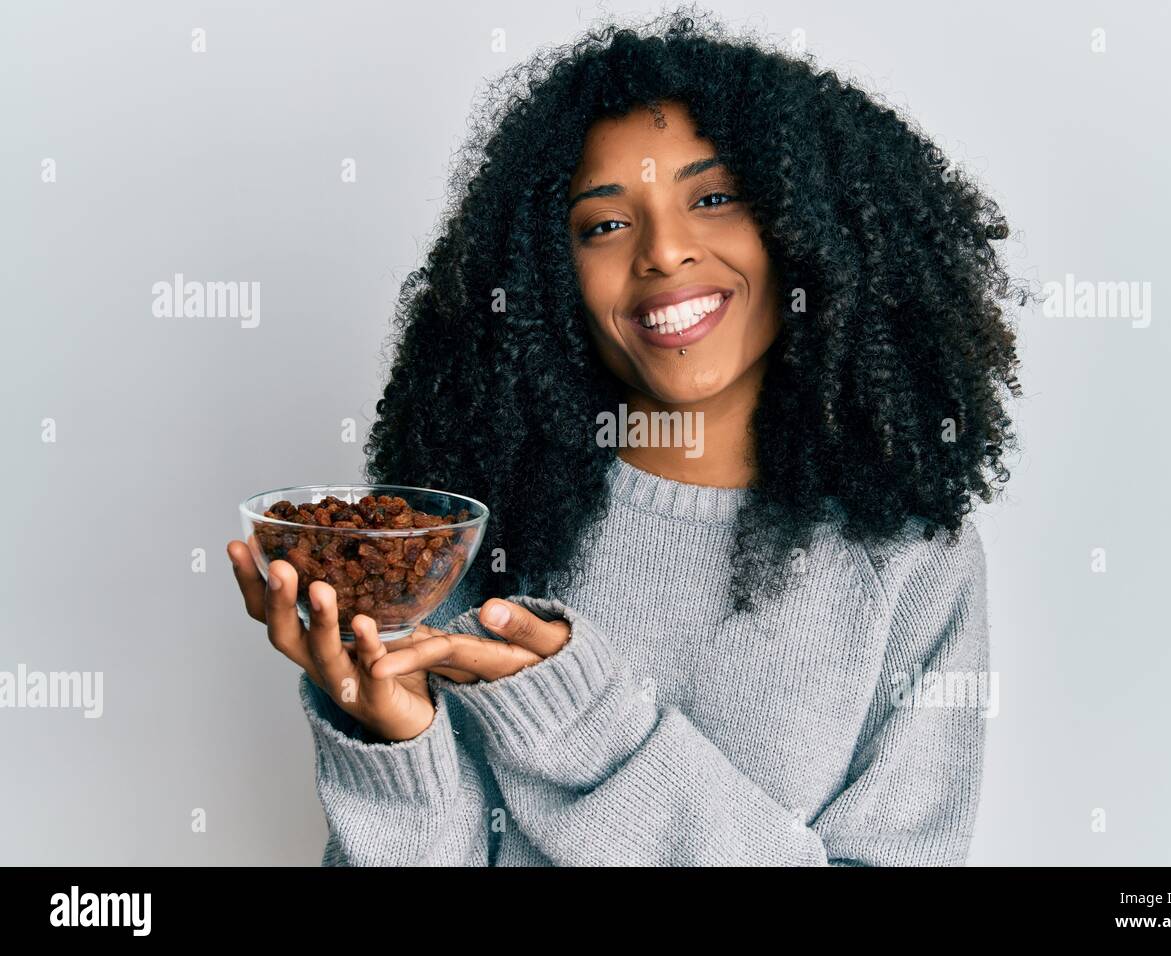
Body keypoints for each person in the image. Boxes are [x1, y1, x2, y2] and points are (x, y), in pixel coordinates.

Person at [228, 8, 1024, 866]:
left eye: (714, 199)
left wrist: (591, 730)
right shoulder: (471, 533)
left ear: (810, 229)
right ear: (547, 272)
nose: (664, 252)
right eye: (604, 224)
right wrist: (396, 747)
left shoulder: (913, 562)